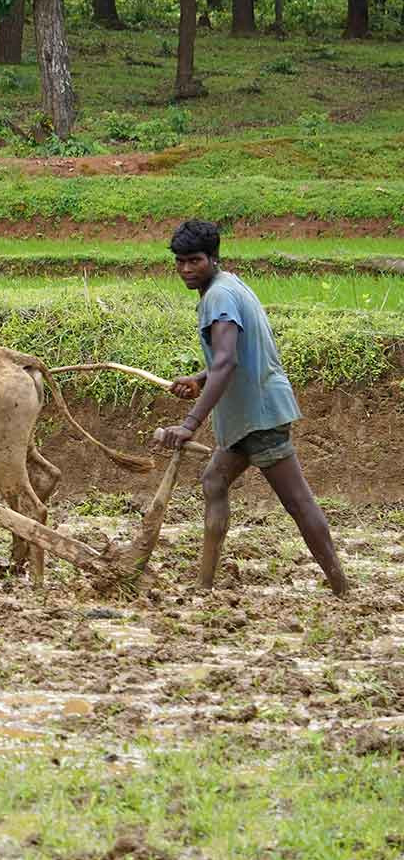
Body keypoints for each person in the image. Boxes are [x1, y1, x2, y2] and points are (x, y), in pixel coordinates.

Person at [152, 219, 348, 596]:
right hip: (249, 415)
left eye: (194, 260)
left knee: (297, 501)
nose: (186, 269)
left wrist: (190, 423)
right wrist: (198, 379)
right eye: (180, 262)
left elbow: (227, 362)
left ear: (213, 258)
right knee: (214, 480)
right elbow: (228, 358)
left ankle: (341, 586)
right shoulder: (228, 286)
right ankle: (204, 585)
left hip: (259, 416)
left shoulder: (218, 298)